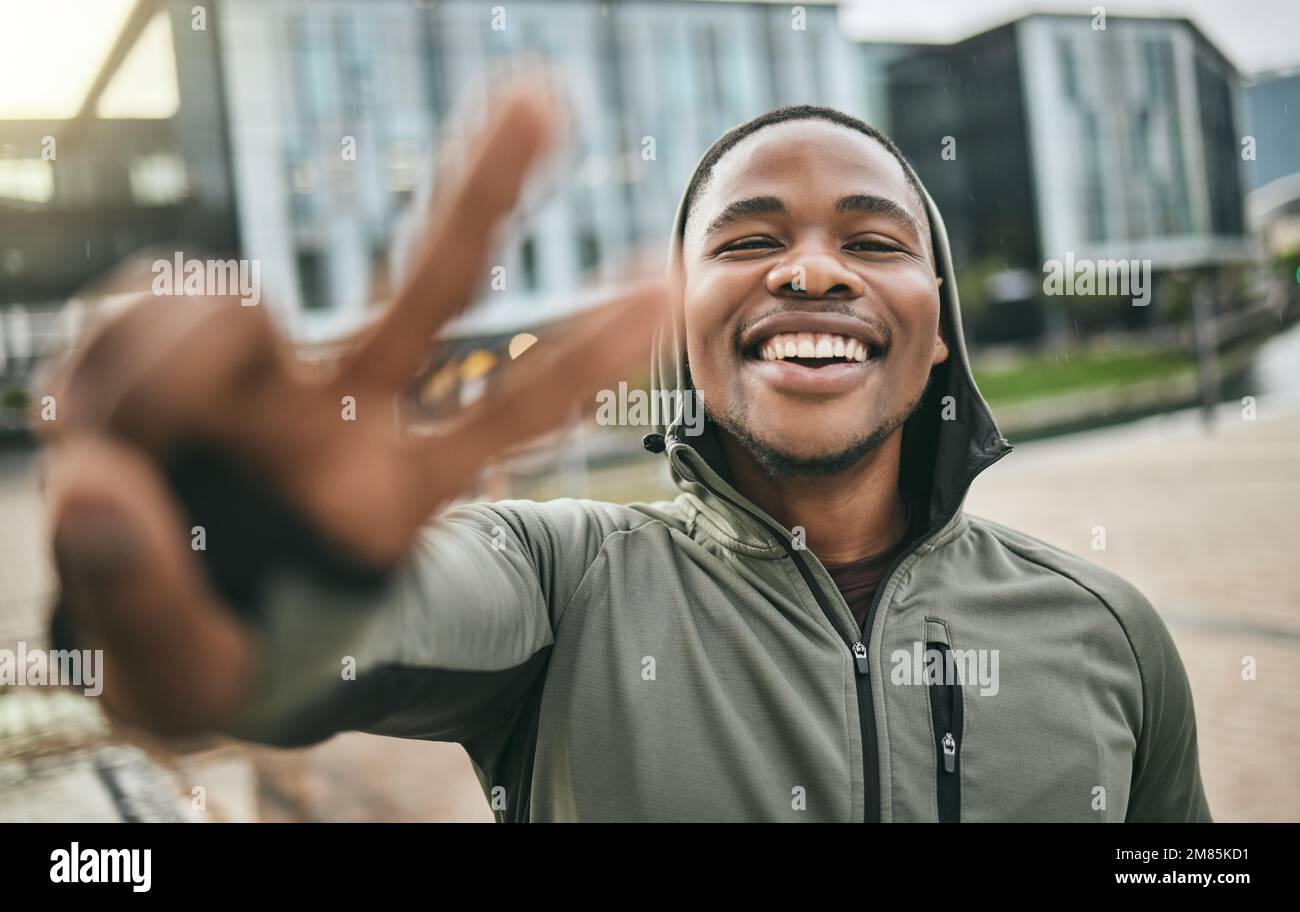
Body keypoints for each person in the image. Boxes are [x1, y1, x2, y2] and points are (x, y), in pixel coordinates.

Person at [45, 78, 1212, 822]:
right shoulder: (559, 586)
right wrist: (241, 553)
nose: (811, 269)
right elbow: (303, 654)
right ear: (683, 331)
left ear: (940, 324)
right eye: (750, 239)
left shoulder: (1112, 638)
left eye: (871, 237)